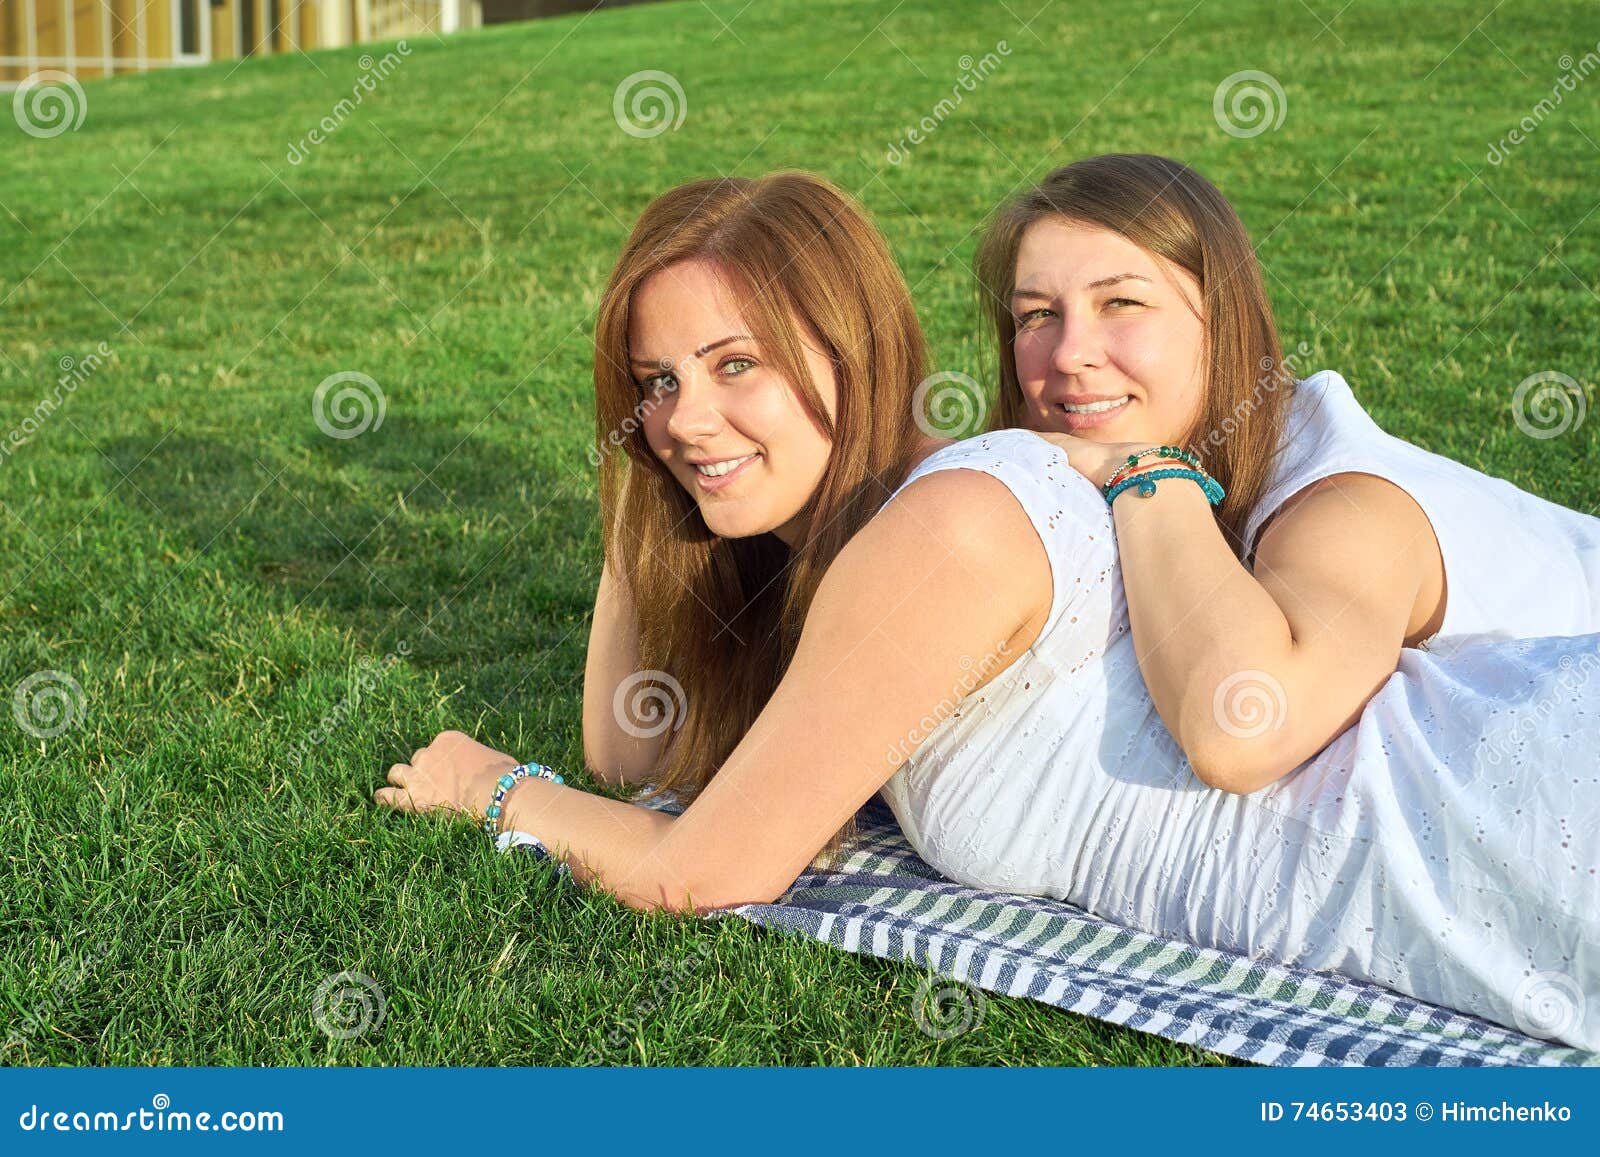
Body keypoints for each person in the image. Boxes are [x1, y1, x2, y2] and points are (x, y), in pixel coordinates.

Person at [373, 169, 1600, 1054]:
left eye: (736, 364)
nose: (688, 413)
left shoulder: (949, 529)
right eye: (655, 381)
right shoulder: (912, 522)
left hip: (1500, 807)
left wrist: (493, 786)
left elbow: (700, 866)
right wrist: (655, 486)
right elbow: (640, 750)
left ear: (846, 347)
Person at [978, 152, 1600, 793]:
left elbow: (1241, 734)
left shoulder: (1346, 508)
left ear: (1224, 322)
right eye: (1037, 315)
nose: (1070, 353)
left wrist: (1146, 471)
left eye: (1122, 303)